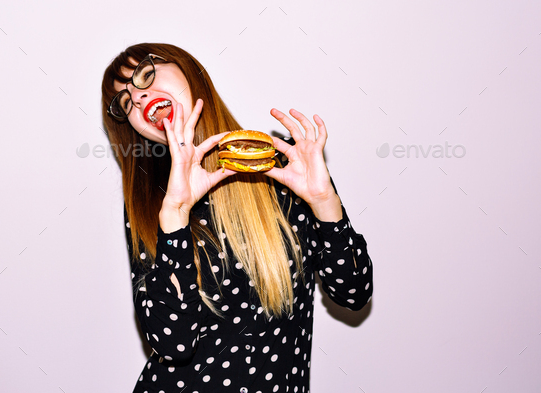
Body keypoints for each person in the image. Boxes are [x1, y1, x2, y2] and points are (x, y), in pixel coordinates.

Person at [101, 43, 373, 393]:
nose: (137, 99)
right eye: (126, 103)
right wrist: (176, 214)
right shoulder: (154, 203)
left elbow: (353, 293)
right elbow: (175, 345)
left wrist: (324, 202)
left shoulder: (284, 164)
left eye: (145, 75)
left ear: (188, 69)